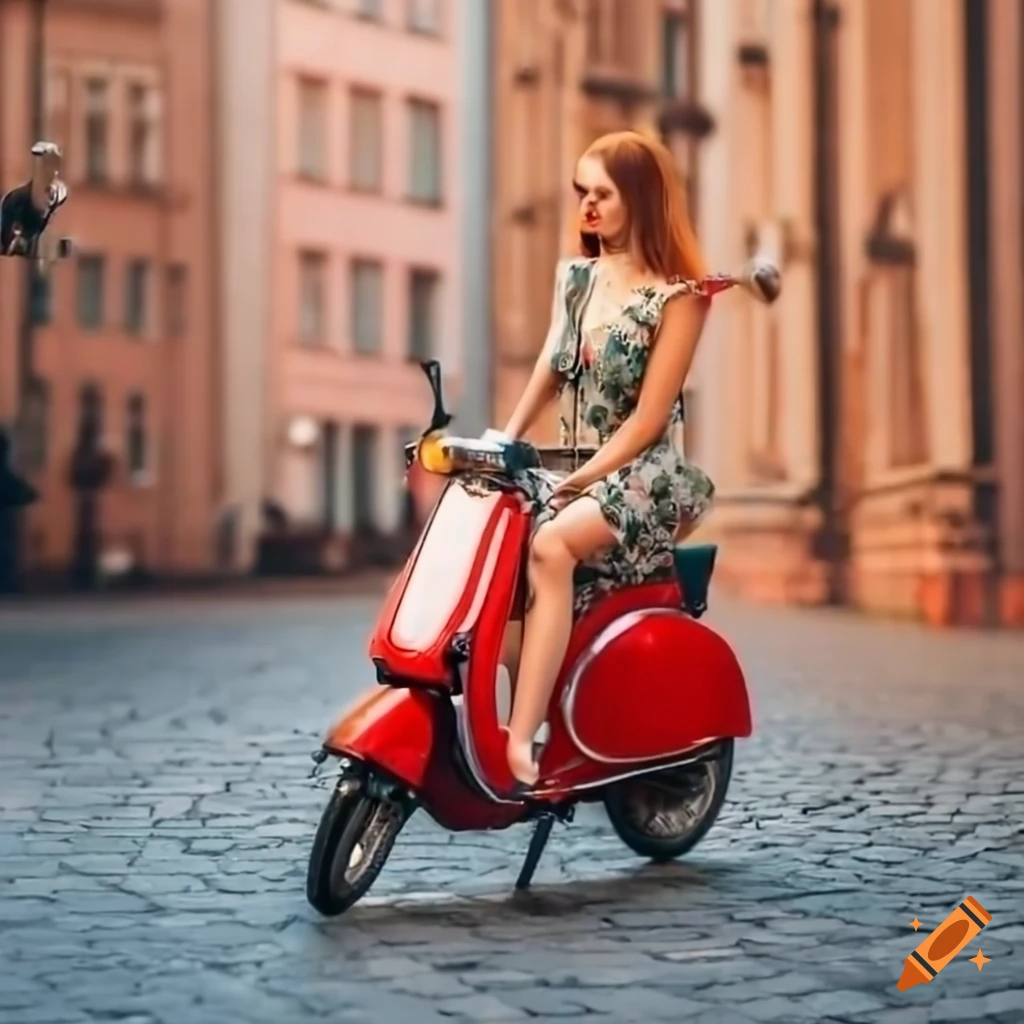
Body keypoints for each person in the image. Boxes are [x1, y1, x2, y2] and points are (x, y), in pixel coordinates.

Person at [498, 130, 718, 790]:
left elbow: (650, 420)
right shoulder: (577, 278)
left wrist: (581, 483)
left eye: (603, 194)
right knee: (502, 560)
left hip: (648, 475)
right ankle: (522, 716)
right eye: (581, 193)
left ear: (641, 201)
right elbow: (550, 361)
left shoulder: (681, 297)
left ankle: (522, 740)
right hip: (576, 469)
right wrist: (505, 438)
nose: (587, 207)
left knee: (551, 548)